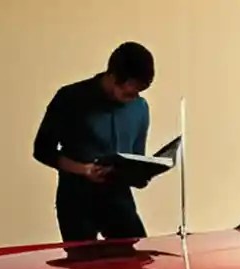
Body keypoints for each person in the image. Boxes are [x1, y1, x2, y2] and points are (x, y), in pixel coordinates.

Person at [32, 42, 155, 242]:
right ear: (113, 77)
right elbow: (42, 150)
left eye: (139, 93)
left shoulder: (140, 108)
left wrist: (142, 174)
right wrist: (84, 169)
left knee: (139, 260)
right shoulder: (69, 98)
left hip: (118, 198)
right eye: (128, 93)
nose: (133, 99)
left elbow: (135, 157)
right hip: (76, 201)